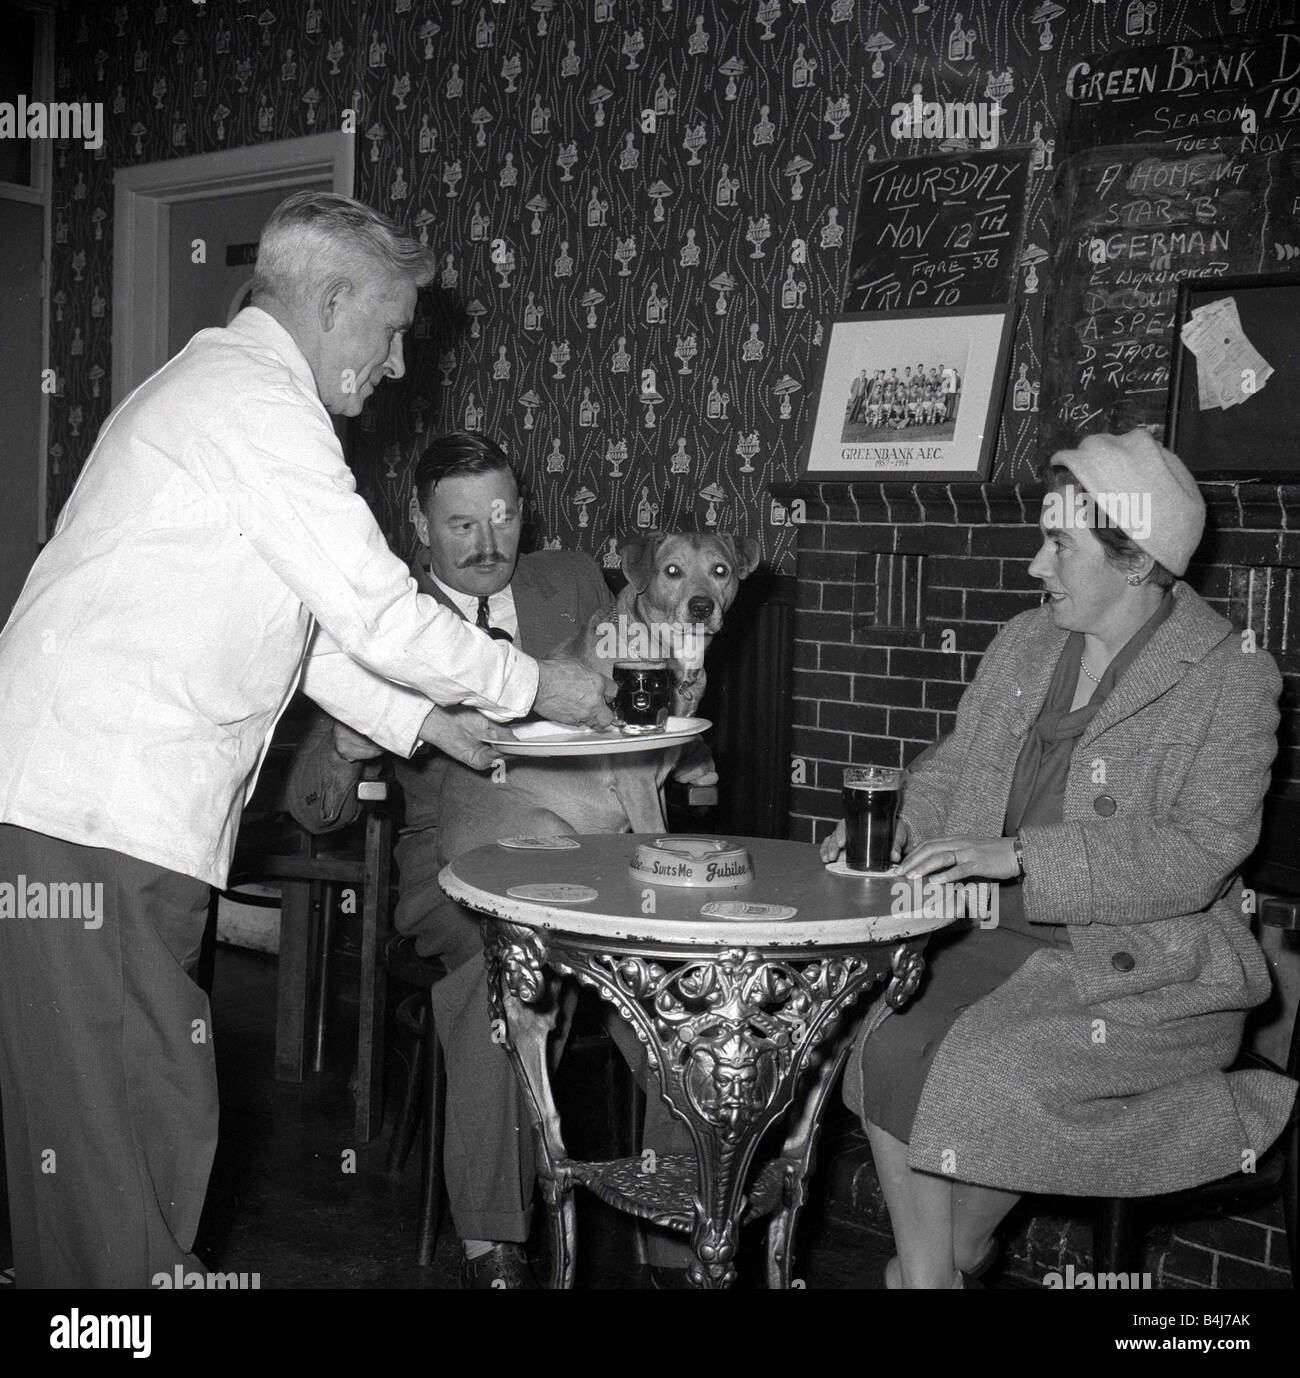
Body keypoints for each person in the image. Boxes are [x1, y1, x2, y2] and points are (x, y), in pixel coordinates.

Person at [0, 191, 611, 1289]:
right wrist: (535, 686)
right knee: (117, 1135)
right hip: (85, 809)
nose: (394, 364)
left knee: (130, 1123)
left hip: (104, 809)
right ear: (331, 301)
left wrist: (425, 721)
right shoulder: (252, 401)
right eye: (389, 330)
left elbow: (310, 632)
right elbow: (374, 607)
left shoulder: (228, 393)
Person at [821, 427, 1297, 1288]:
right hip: (978, 933)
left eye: (1059, 545)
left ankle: (928, 1272)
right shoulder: (1025, 643)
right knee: (885, 1031)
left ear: (1136, 561)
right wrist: (898, 822)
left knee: (980, 1062)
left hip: (1134, 967)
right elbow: (955, 764)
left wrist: (1017, 855)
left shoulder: (1230, 678)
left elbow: (1200, 851)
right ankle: (938, 1270)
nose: (1037, 567)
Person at [301, 431, 699, 1286]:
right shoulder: (381, 614)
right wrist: (344, 744)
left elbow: (654, 690)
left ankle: (674, 1245)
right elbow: (316, 807)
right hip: (454, 872)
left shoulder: (567, 581)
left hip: (600, 854)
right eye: (460, 524)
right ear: (416, 522)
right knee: (507, 974)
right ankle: (497, 1251)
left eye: (504, 516)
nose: (488, 544)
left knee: (685, 979)